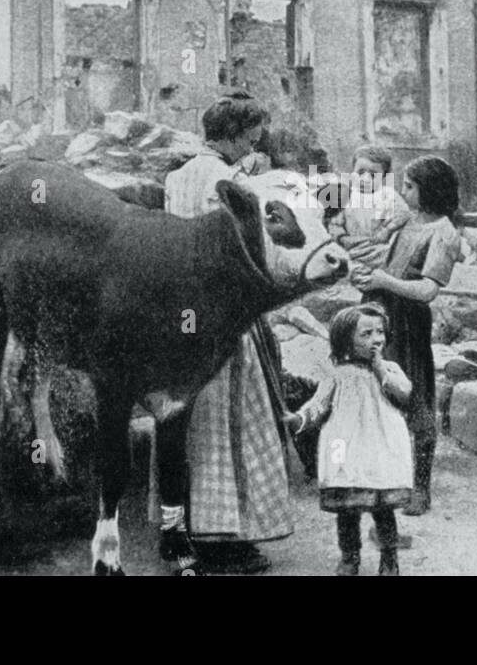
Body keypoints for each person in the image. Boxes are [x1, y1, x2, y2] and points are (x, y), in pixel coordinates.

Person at [160, 91, 292, 574]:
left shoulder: (178, 177)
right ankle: (226, 536)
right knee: (232, 420)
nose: (256, 141)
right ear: (235, 135)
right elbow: (249, 248)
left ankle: (184, 527)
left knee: (189, 421)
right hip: (225, 312)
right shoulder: (228, 179)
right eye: (251, 133)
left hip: (183, 311)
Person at [351, 155, 462, 516]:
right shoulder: (409, 223)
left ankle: (421, 487)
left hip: (408, 321)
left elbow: (428, 290)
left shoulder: (444, 233)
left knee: (414, 395)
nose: (402, 191)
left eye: (409, 186)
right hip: (380, 313)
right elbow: (389, 266)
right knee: (375, 391)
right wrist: (369, 279)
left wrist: (384, 282)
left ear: (428, 189)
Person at [284, 304, 413, 575]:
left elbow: (403, 394)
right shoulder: (336, 374)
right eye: (366, 333)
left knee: (383, 509)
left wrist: (379, 368)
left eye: (380, 332)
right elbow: (318, 405)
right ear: (345, 339)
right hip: (345, 447)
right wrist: (300, 419)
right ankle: (349, 556)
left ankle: (389, 557)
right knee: (347, 511)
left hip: (381, 446)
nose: (376, 338)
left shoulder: (390, 368)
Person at [331, 145, 411, 252]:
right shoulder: (345, 195)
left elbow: (404, 214)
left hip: (379, 247)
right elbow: (335, 224)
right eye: (360, 172)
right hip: (352, 247)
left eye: (373, 175)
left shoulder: (387, 194)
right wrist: (342, 237)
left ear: (384, 176)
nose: (365, 179)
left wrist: (387, 230)